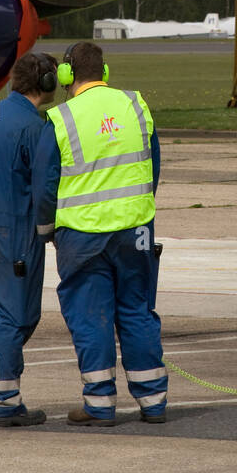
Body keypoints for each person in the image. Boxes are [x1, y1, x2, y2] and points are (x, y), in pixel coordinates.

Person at [33, 41, 166, 426]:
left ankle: (101, 405)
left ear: (66, 76)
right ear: (104, 73)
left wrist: (46, 231)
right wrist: (137, 209)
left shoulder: (61, 119)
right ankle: (153, 402)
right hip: (135, 230)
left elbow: (45, 184)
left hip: (82, 235)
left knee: (92, 317)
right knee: (137, 311)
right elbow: (152, 165)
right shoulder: (136, 105)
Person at [0, 51, 58, 427]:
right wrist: (49, 229)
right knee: (16, 313)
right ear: (47, 83)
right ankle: (4, 399)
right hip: (13, 231)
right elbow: (43, 186)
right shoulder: (35, 126)